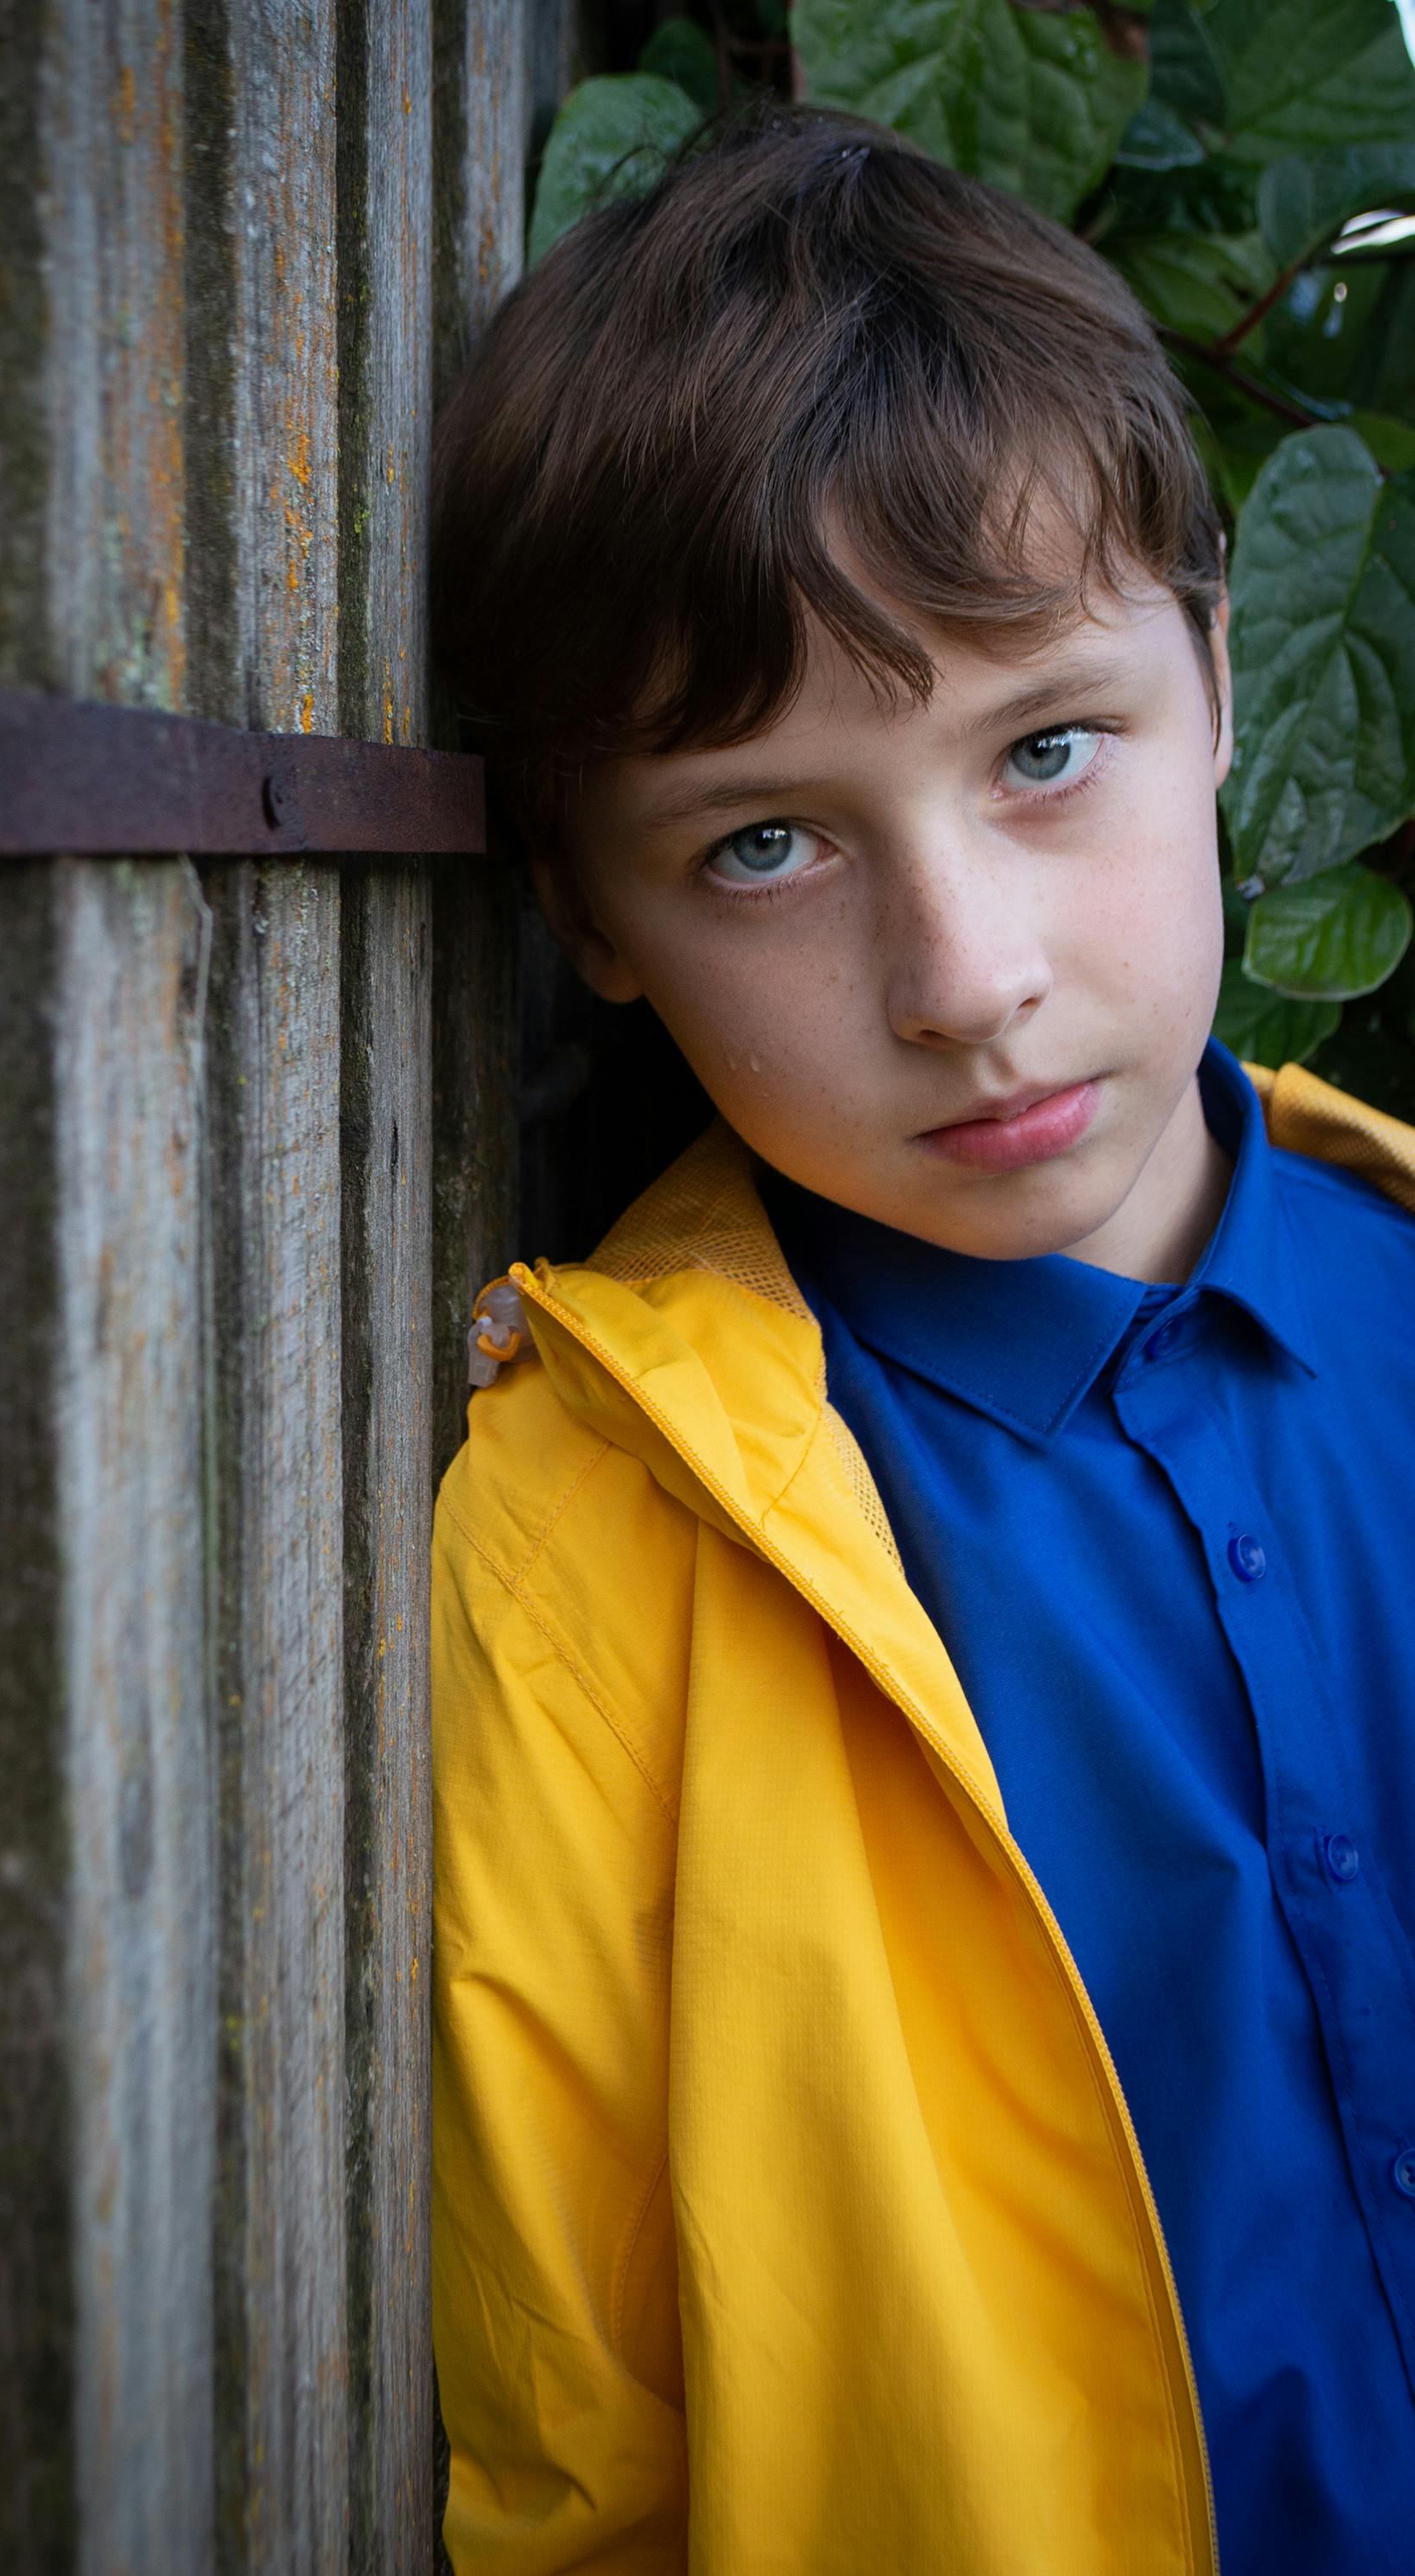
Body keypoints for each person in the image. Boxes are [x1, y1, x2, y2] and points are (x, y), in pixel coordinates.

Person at [426, 107, 1415, 2576]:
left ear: (1217, 681)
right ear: (590, 914)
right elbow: (581, 2452)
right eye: (764, 841)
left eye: (1045, 751)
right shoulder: (589, 1547)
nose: (966, 979)